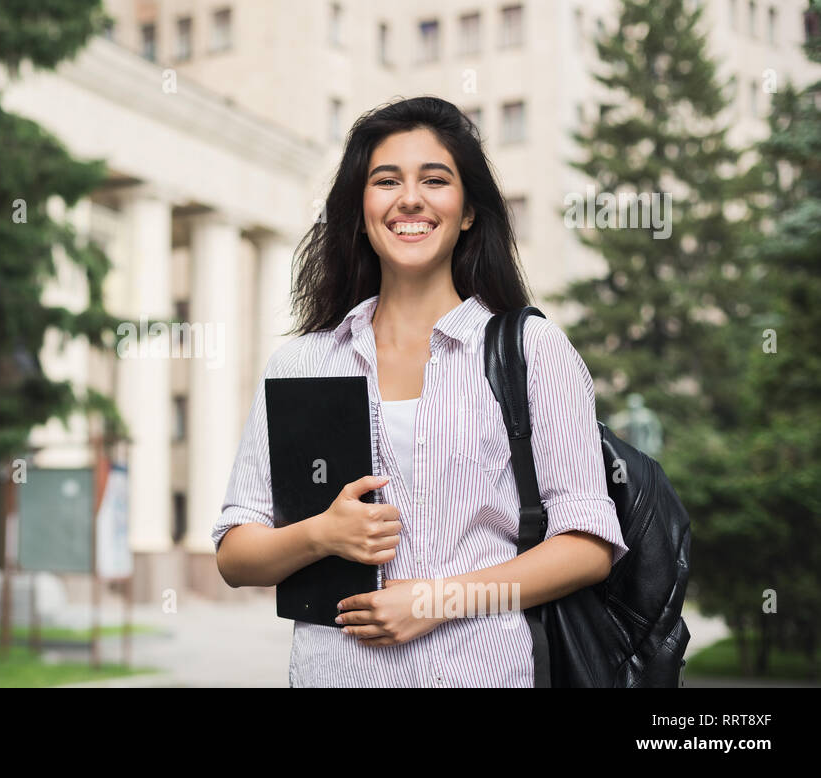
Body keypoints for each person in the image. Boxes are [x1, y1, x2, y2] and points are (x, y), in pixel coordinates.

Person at [211, 96, 628, 687]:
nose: (410, 198)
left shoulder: (530, 351)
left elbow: (587, 545)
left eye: (435, 179)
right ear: (359, 211)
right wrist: (320, 534)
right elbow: (234, 554)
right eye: (386, 181)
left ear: (467, 213)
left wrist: (437, 601)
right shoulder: (303, 363)